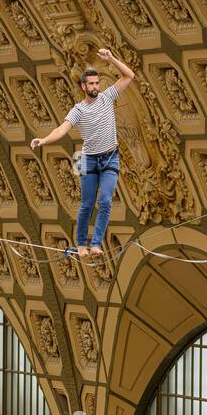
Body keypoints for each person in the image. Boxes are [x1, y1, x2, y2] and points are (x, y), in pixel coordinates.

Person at [29, 47, 135, 257]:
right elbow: (62, 129)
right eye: (92, 84)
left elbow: (129, 75)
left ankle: (95, 243)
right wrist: (44, 140)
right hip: (85, 159)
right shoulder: (78, 110)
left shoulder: (107, 97)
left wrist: (112, 58)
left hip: (111, 156)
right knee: (86, 204)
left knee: (105, 201)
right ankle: (80, 245)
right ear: (83, 86)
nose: (96, 87)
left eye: (97, 83)